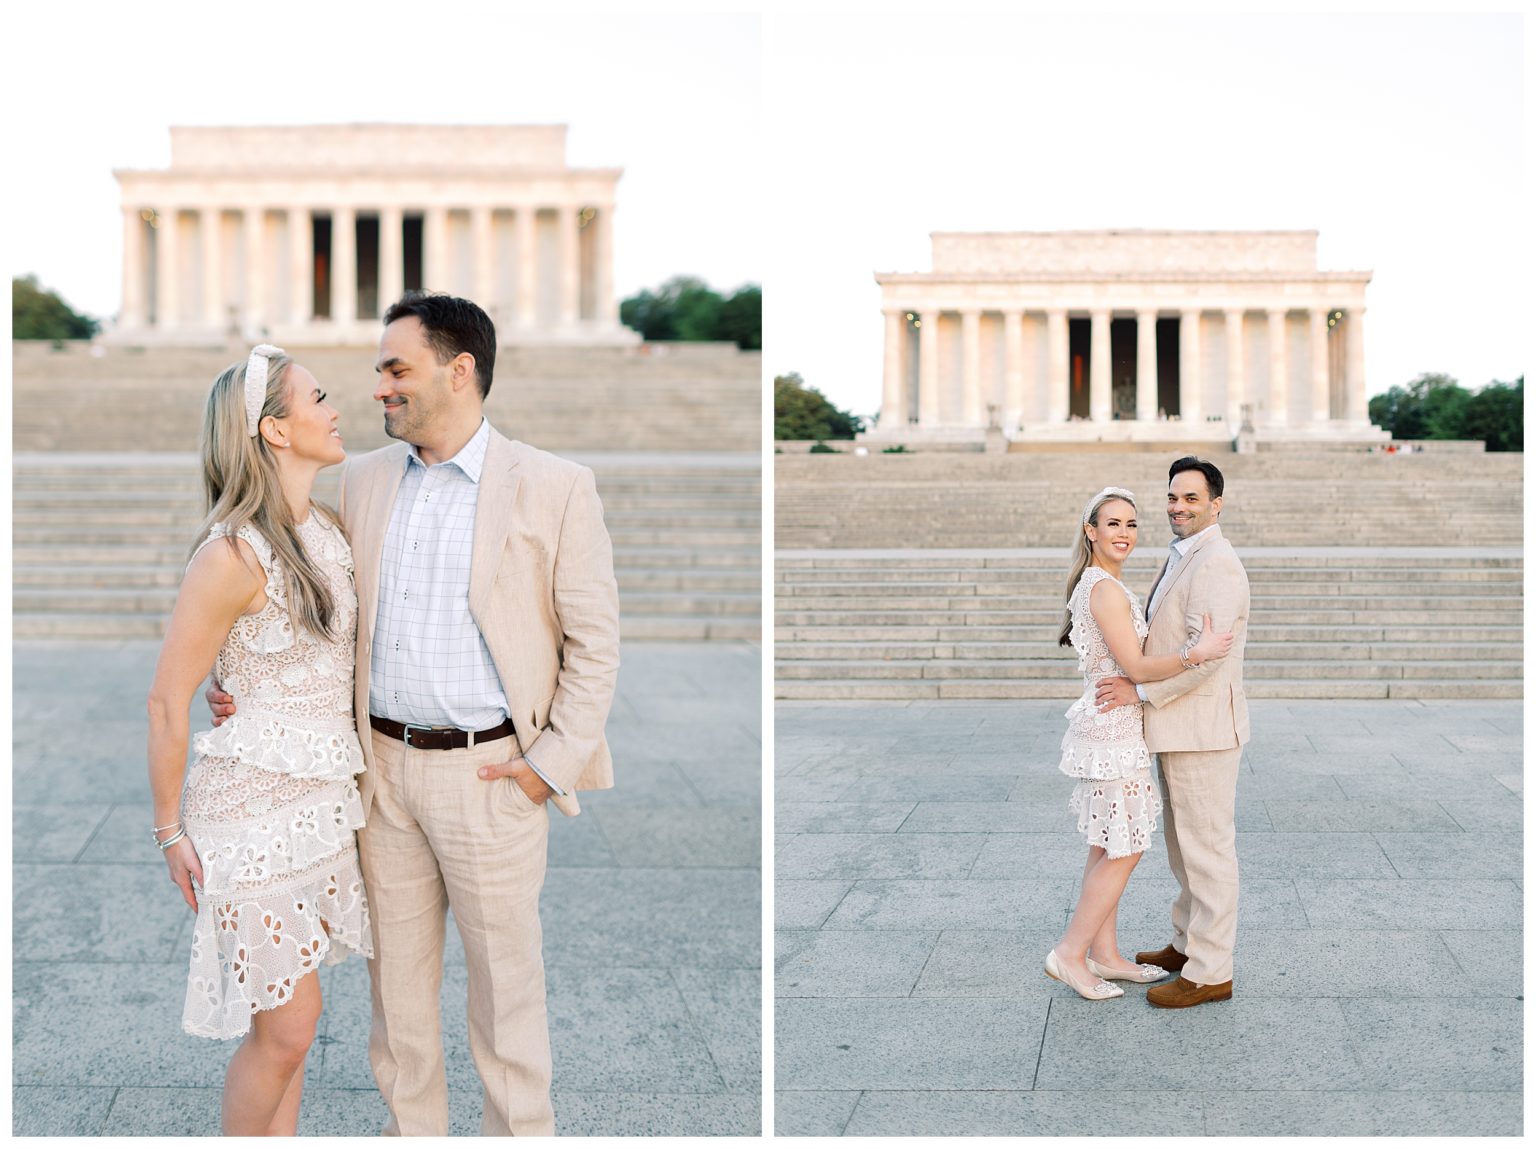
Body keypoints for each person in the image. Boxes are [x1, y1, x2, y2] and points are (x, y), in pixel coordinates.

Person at [207, 292, 621, 1135]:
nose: (380, 388)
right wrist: (234, 676)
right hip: (381, 774)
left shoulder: (555, 485)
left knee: (508, 997)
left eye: (397, 369)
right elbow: (275, 575)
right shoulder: (358, 482)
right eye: (378, 372)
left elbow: (596, 646)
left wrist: (546, 767)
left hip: (493, 775)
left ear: (459, 369)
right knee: (398, 1007)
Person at [147, 345, 371, 1135]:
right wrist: (169, 827)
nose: (337, 408)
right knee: (289, 1027)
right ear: (275, 429)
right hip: (246, 813)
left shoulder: (334, 532)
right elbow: (169, 700)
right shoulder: (231, 551)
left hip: (319, 806)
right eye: (319, 396)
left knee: (289, 1035)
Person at [1045, 486, 1233, 1000]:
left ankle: (1104, 956)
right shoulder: (1103, 589)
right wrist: (1199, 652)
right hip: (1111, 731)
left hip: (1111, 725)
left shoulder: (1102, 583)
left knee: (1107, 843)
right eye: (1112, 524)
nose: (1124, 533)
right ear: (1091, 531)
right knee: (1126, 848)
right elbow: (1137, 667)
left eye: (1131, 524)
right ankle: (1070, 954)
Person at [1095, 456, 1250, 1009]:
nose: (1178, 507)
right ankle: (1188, 945)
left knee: (1207, 851)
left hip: (1203, 727)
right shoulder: (1186, 554)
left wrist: (1140, 692)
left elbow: (1209, 657)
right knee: (1185, 848)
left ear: (1216, 503)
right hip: (1180, 725)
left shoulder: (1218, 564)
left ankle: (1211, 972)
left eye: (1190, 498)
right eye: (1172, 497)